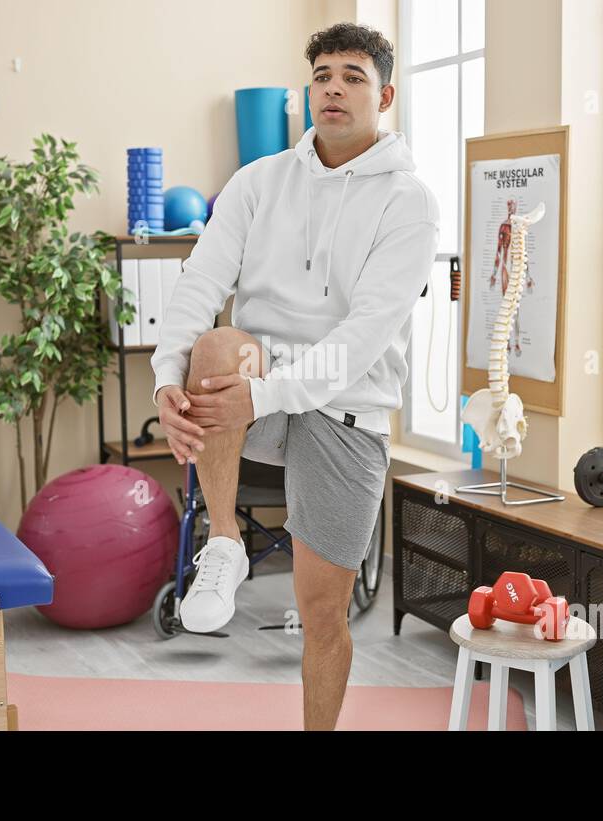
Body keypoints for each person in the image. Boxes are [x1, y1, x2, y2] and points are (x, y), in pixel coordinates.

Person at [150, 22, 439, 730]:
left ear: (386, 95)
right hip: (260, 391)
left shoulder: (409, 203)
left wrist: (268, 392)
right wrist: (165, 377)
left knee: (321, 614)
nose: (334, 88)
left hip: (347, 410)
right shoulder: (257, 183)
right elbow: (198, 283)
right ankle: (224, 542)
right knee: (216, 344)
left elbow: (365, 335)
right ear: (308, 90)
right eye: (322, 76)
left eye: (353, 76)